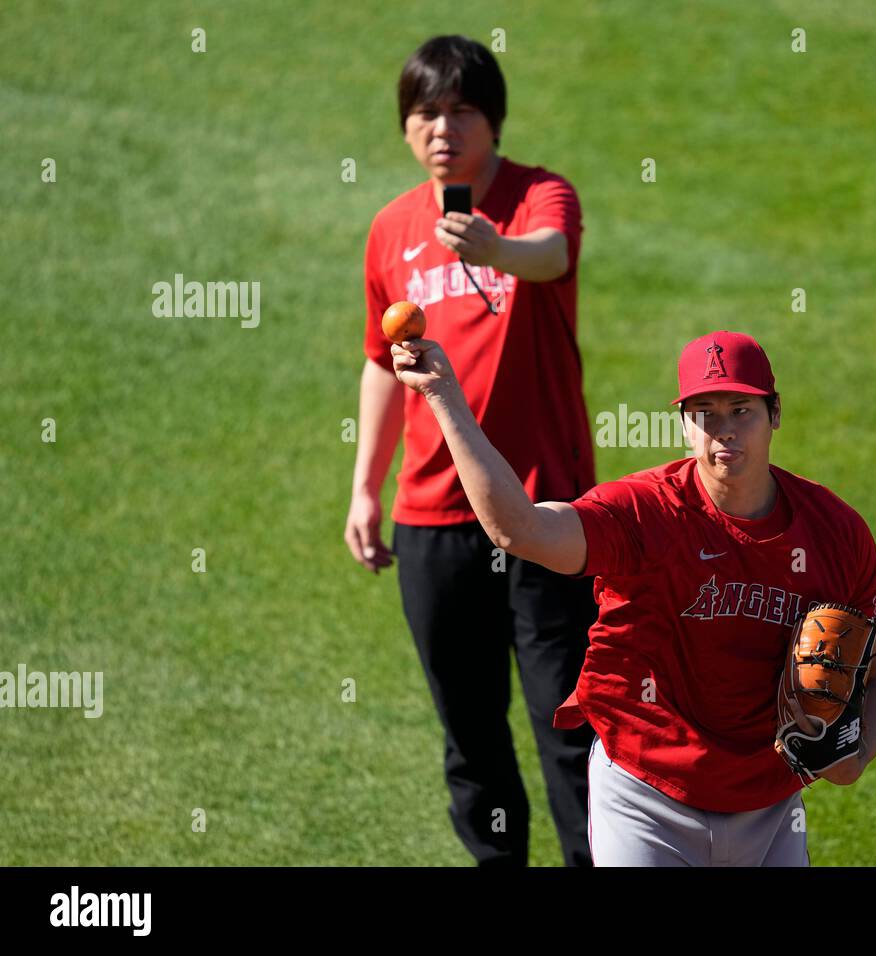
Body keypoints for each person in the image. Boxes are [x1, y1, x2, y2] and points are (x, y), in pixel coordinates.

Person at [389, 328, 876, 867]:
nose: (723, 432)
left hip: (770, 805)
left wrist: (857, 754)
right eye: (704, 412)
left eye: (741, 410)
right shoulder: (642, 513)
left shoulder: (836, 533)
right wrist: (444, 397)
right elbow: (520, 530)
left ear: (774, 414)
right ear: (683, 424)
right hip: (645, 800)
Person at [344, 34, 597, 866]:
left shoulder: (538, 197)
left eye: (460, 110)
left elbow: (552, 256)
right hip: (433, 517)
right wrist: (365, 490)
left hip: (543, 509)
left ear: (492, 118)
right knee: (470, 734)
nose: (442, 127)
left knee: (570, 723)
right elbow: (382, 366)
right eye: (424, 113)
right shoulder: (391, 230)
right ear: (406, 129)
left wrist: (495, 249)